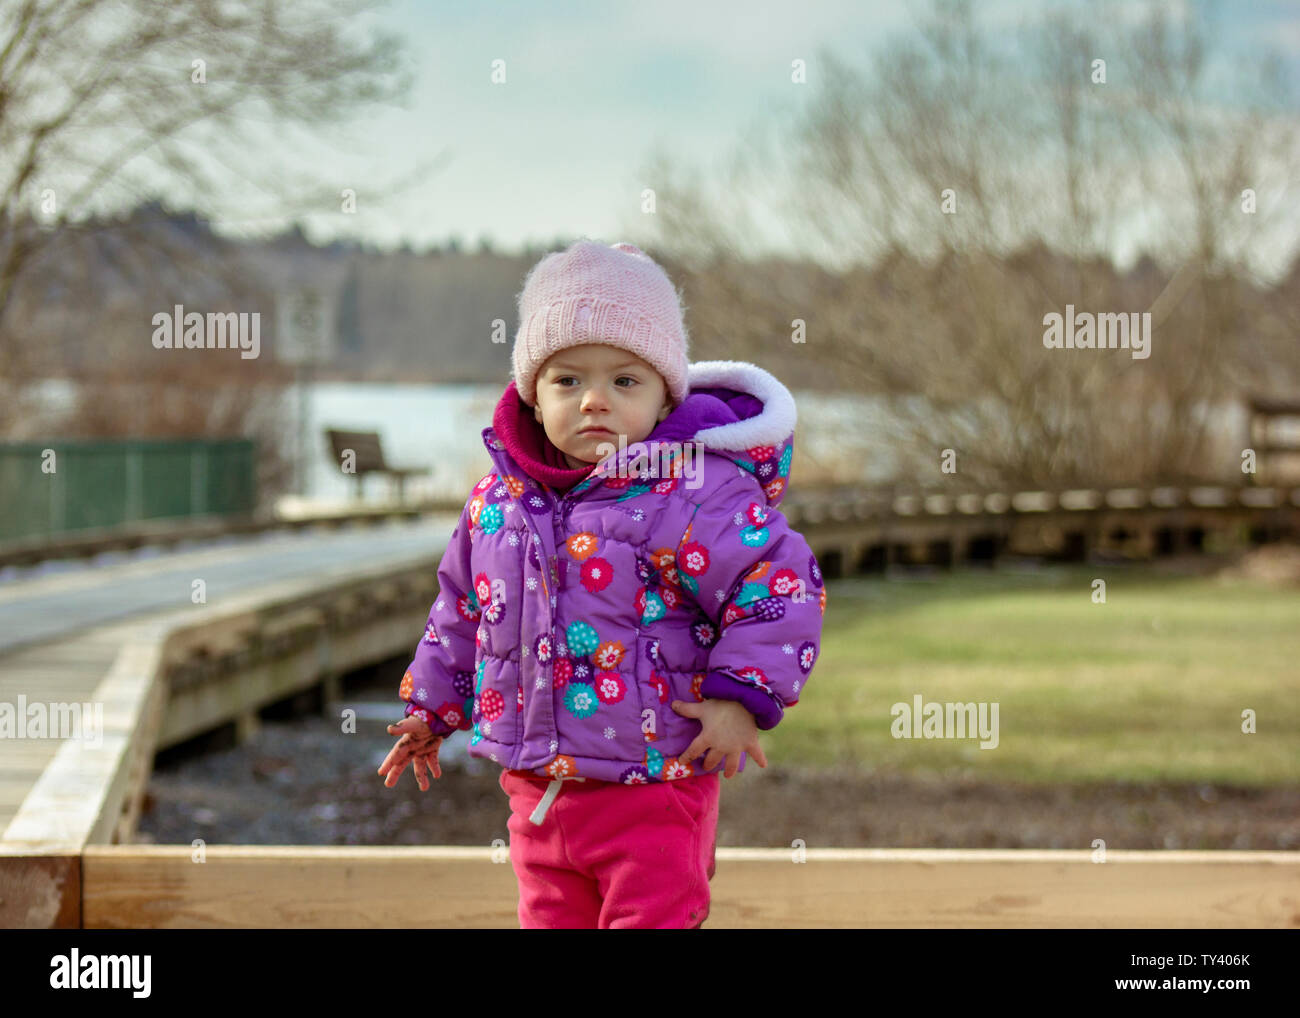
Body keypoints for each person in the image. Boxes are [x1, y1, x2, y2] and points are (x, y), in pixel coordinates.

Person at [378, 239, 826, 929]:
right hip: (537, 789)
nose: (594, 401)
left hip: (655, 788)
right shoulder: (497, 504)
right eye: (567, 381)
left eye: (624, 381)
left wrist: (744, 698)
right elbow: (462, 613)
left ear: (663, 392)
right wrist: (433, 707)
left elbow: (778, 587)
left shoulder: (694, 494)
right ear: (532, 392)